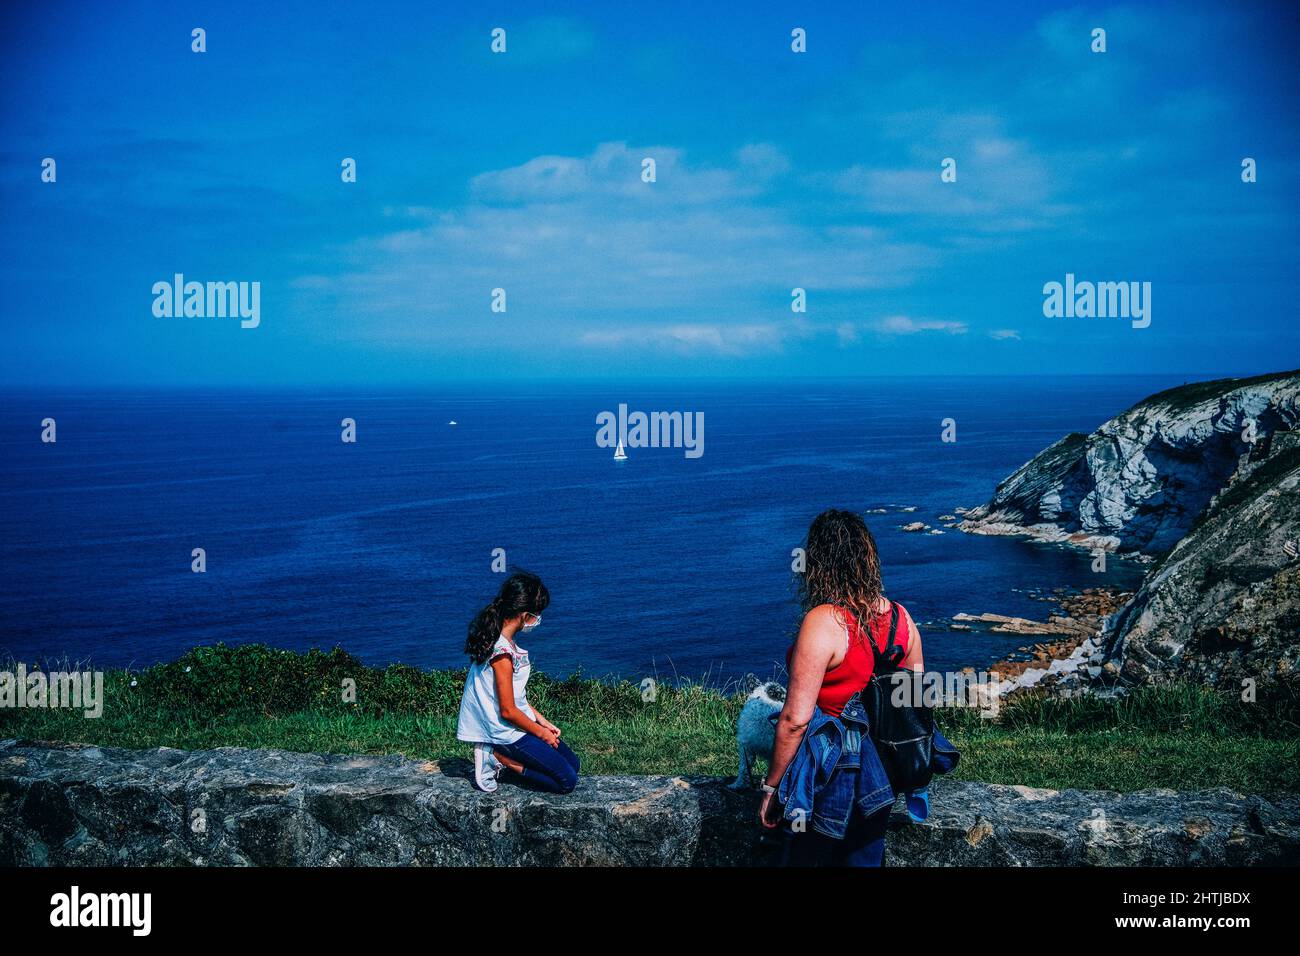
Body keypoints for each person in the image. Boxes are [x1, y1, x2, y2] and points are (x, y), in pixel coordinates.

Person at [758, 508, 927, 865]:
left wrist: (773, 786)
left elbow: (795, 720)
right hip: (884, 775)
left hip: (831, 776)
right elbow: (916, 703)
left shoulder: (823, 621)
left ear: (817, 564)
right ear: (868, 558)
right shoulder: (901, 619)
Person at [456, 571, 580, 794]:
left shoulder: (502, 641)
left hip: (519, 725)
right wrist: (541, 734)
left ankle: (509, 757)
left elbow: (516, 697)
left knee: (574, 764)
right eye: (538, 613)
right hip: (507, 732)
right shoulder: (502, 653)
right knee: (566, 780)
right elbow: (508, 711)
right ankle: (498, 758)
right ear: (525, 615)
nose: (539, 618)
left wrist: (542, 722)